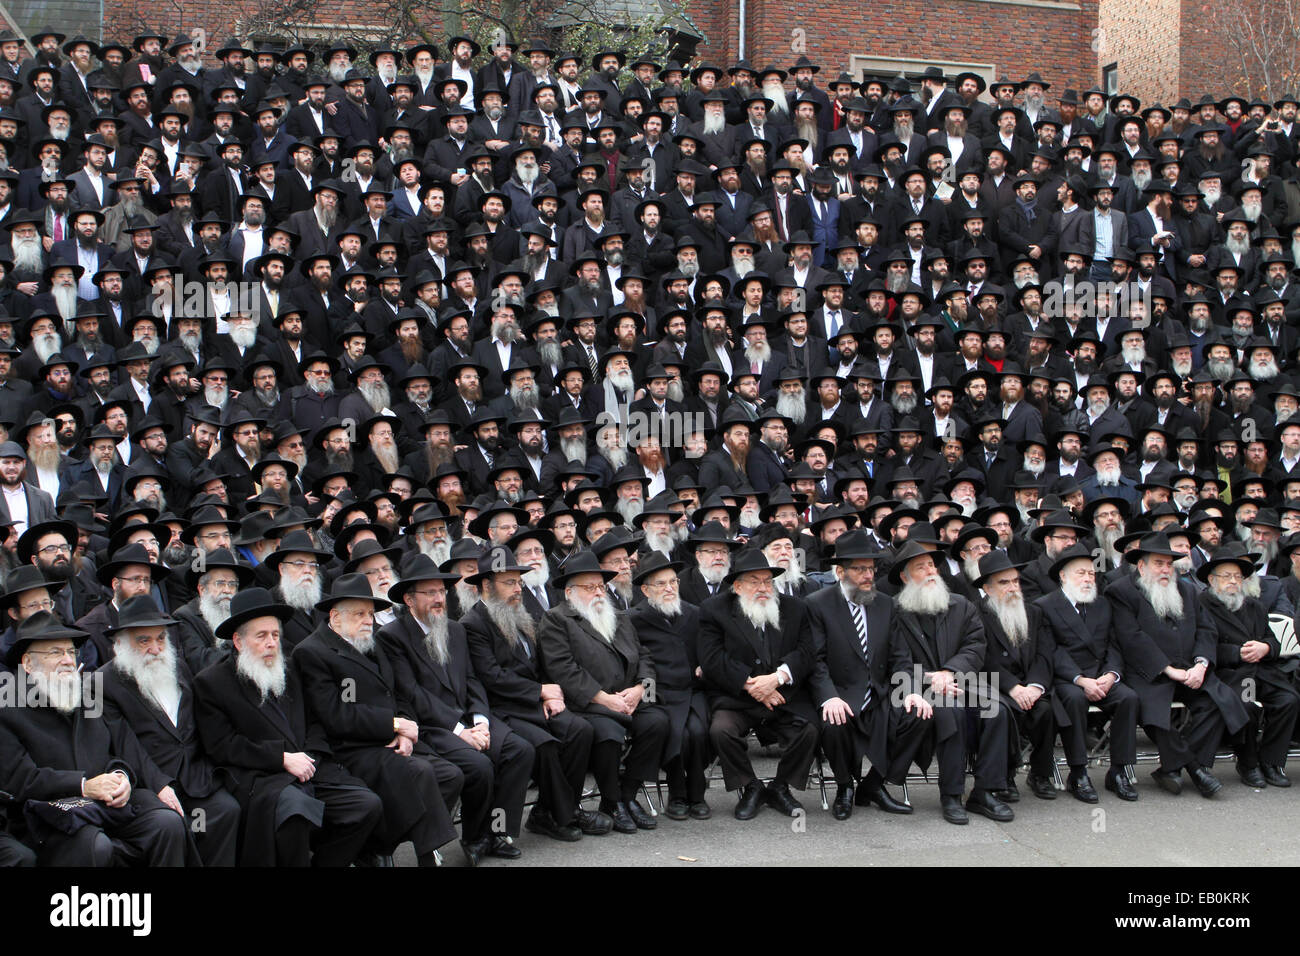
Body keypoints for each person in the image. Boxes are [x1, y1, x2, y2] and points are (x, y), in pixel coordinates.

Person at [194, 587, 386, 866]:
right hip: (262, 777)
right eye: (261, 636)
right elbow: (223, 745)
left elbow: (316, 720)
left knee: (366, 805)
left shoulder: (290, 665)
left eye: (275, 634)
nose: (272, 642)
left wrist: (310, 755)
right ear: (238, 640)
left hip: (310, 766)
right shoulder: (212, 683)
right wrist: (281, 758)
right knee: (296, 811)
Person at [291, 573, 462, 866]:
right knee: (419, 773)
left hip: (390, 741)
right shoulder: (312, 652)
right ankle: (427, 855)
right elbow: (336, 715)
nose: (368, 620)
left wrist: (405, 731)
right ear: (335, 616)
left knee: (451, 775)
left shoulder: (372, 642)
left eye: (370, 613)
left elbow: (399, 694)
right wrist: (393, 726)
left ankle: (380, 844)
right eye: (359, 613)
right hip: (351, 748)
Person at [378, 551, 534, 864]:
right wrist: (462, 731)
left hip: (470, 718)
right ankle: (475, 837)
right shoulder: (392, 637)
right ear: (409, 600)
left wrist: (481, 722)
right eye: (430, 592)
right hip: (433, 726)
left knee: (520, 751)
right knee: (479, 766)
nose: (439, 598)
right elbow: (413, 694)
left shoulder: (456, 629)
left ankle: (497, 830)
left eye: (441, 591)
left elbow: (473, 680)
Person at [0, 612, 188, 866]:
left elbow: (115, 752)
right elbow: (21, 781)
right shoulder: (7, 707)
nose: (68, 660)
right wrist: (83, 786)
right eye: (55, 652)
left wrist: (121, 777)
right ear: (28, 664)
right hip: (48, 816)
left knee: (166, 823)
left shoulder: (87, 694)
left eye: (71, 652)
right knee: (95, 844)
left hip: (106, 806)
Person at [461, 546, 608, 840]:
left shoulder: (519, 612)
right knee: (545, 745)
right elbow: (491, 677)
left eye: (519, 582)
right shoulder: (473, 623)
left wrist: (550, 695)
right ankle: (564, 815)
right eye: (509, 583)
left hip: (534, 702)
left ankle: (549, 811)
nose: (518, 589)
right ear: (487, 586)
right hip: (502, 708)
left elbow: (537, 663)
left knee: (580, 730)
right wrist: (538, 692)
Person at [100, 594, 242, 866]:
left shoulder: (176, 667)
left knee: (227, 810)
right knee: (172, 824)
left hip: (193, 777)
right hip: (147, 784)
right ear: (121, 644)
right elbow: (124, 744)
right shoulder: (106, 682)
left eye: (160, 638)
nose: (155, 648)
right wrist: (159, 785)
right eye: (144, 640)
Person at [536, 550, 671, 833]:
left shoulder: (618, 615)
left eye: (600, 585)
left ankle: (628, 795)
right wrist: (603, 698)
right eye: (589, 587)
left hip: (628, 698)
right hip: (587, 703)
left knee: (658, 722)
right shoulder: (557, 619)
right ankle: (611, 802)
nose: (598, 592)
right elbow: (563, 669)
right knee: (608, 732)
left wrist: (639, 689)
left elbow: (643, 656)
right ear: (570, 591)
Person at [1108, 533, 1251, 798]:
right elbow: (1132, 638)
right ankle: (1196, 769)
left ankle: (1171, 769)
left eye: (1168, 564)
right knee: (1155, 714)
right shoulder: (1121, 592)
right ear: (1142, 566)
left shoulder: (1186, 589)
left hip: (1190, 668)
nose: (1165, 569)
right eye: (1158, 563)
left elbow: (1207, 630)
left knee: (1218, 702)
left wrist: (1200, 664)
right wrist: (1168, 670)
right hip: (1148, 672)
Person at [807, 530, 931, 820]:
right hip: (841, 692)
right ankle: (844, 787)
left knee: (920, 714)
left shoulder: (885, 604)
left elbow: (901, 656)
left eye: (871, 568)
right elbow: (816, 660)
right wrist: (829, 698)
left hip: (879, 693)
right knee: (833, 723)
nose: (868, 575)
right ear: (840, 571)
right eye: (859, 569)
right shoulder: (818, 604)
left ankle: (874, 784)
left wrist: (910, 690)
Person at [888, 539, 1014, 825]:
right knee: (950, 712)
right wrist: (928, 679)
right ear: (906, 577)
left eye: (932, 565)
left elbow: (975, 646)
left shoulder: (961, 605)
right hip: (917, 688)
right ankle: (952, 794)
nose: (931, 571)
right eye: (921, 567)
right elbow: (896, 660)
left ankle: (985, 791)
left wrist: (950, 672)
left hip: (962, 681)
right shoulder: (895, 612)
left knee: (997, 710)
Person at [697, 548, 820, 820]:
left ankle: (780, 787)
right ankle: (750, 787)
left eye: (767, 581)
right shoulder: (714, 610)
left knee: (809, 729)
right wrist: (750, 684)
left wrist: (777, 678)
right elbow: (711, 658)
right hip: (737, 696)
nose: (763, 587)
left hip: (783, 693)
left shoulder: (795, 608)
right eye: (754, 581)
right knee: (721, 730)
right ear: (738, 586)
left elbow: (807, 651)